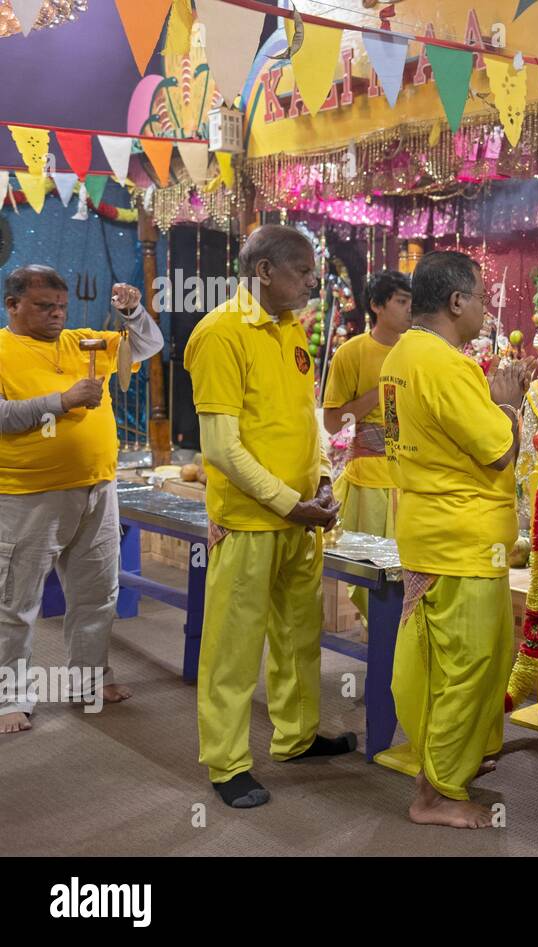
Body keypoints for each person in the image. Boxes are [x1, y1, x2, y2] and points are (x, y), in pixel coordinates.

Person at [183, 225, 355, 809]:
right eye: (302, 270)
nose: (314, 280)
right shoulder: (220, 334)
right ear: (262, 271)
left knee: (298, 637)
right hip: (252, 521)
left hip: (301, 520)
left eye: (313, 270)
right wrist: (287, 501)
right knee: (233, 649)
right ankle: (226, 763)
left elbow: (306, 421)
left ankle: (297, 737)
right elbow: (222, 449)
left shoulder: (290, 332)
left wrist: (325, 476)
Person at [381, 251, 531, 829]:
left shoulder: (403, 355)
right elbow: (497, 447)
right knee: (467, 666)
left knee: (446, 662)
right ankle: (435, 794)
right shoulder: (446, 365)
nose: (488, 305)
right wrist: (510, 402)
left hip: (432, 529)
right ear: (456, 302)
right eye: (482, 294)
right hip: (459, 540)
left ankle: (457, 759)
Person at [0, 267, 162, 734]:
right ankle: (10, 697)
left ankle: (89, 680)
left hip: (97, 487)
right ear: (12, 305)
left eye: (60, 306)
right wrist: (63, 400)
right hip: (27, 496)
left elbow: (147, 346)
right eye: (43, 306)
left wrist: (132, 311)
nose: (55, 314)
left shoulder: (82, 342)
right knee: (15, 603)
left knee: (96, 594)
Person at [323, 270, 412, 620]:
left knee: (410, 572)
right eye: (401, 302)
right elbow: (333, 424)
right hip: (368, 480)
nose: (409, 310)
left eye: (412, 303)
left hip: (413, 479)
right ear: (376, 305)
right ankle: (376, 653)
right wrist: (379, 393)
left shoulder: (419, 351)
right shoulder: (351, 353)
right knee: (371, 576)